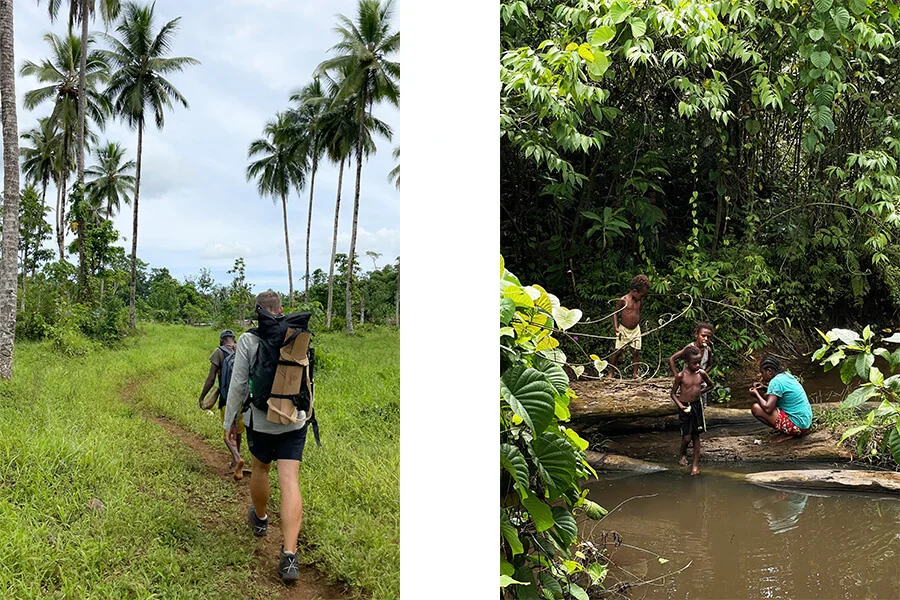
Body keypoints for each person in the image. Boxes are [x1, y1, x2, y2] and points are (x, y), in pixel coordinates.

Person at [222, 290, 309, 583]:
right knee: (290, 481)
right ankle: (289, 556)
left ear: (257, 311)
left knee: (260, 469)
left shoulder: (248, 340)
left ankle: (260, 520)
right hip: (295, 422)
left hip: (260, 422)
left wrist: (229, 421)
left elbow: (237, 386)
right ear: (281, 309)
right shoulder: (298, 334)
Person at [199, 329, 245, 480]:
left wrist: (202, 397)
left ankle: (237, 458)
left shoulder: (218, 352)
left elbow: (211, 378)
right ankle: (234, 462)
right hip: (244, 399)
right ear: (234, 339)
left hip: (227, 399)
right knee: (237, 431)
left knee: (227, 433)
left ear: (221, 341)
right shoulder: (241, 349)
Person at [670, 346, 713, 475]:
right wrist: (680, 405)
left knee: (696, 435)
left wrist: (700, 392)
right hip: (684, 406)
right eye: (695, 363)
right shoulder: (681, 376)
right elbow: (673, 394)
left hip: (696, 405)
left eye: (699, 362)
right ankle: (682, 453)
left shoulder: (701, 373)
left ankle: (695, 464)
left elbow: (711, 385)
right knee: (687, 437)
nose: (698, 365)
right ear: (686, 362)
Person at [749, 355, 813, 437]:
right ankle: (785, 429)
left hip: (798, 427)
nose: (762, 377)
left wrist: (756, 394)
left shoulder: (775, 382)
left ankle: (787, 432)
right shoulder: (786, 375)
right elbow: (781, 391)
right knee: (766, 395)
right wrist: (764, 388)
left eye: (762, 373)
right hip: (805, 422)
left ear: (769, 371)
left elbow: (768, 409)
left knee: (756, 408)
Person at [610, 274, 651, 378]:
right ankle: (611, 373)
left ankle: (635, 374)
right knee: (618, 351)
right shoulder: (623, 300)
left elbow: (637, 312)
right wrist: (616, 327)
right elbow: (615, 313)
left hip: (636, 329)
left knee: (636, 351)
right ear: (634, 291)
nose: (642, 297)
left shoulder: (639, 300)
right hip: (624, 329)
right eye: (641, 295)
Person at [668, 322, 715, 405]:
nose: (706, 339)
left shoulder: (708, 350)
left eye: (708, 337)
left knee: (702, 406)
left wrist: (704, 375)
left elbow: (710, 364)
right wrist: (676, 376)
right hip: (687, 384)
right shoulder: (690, 348)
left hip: (701, 384)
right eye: (703, 336)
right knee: (686, 405)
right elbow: (672, 359)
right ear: (697, 335)